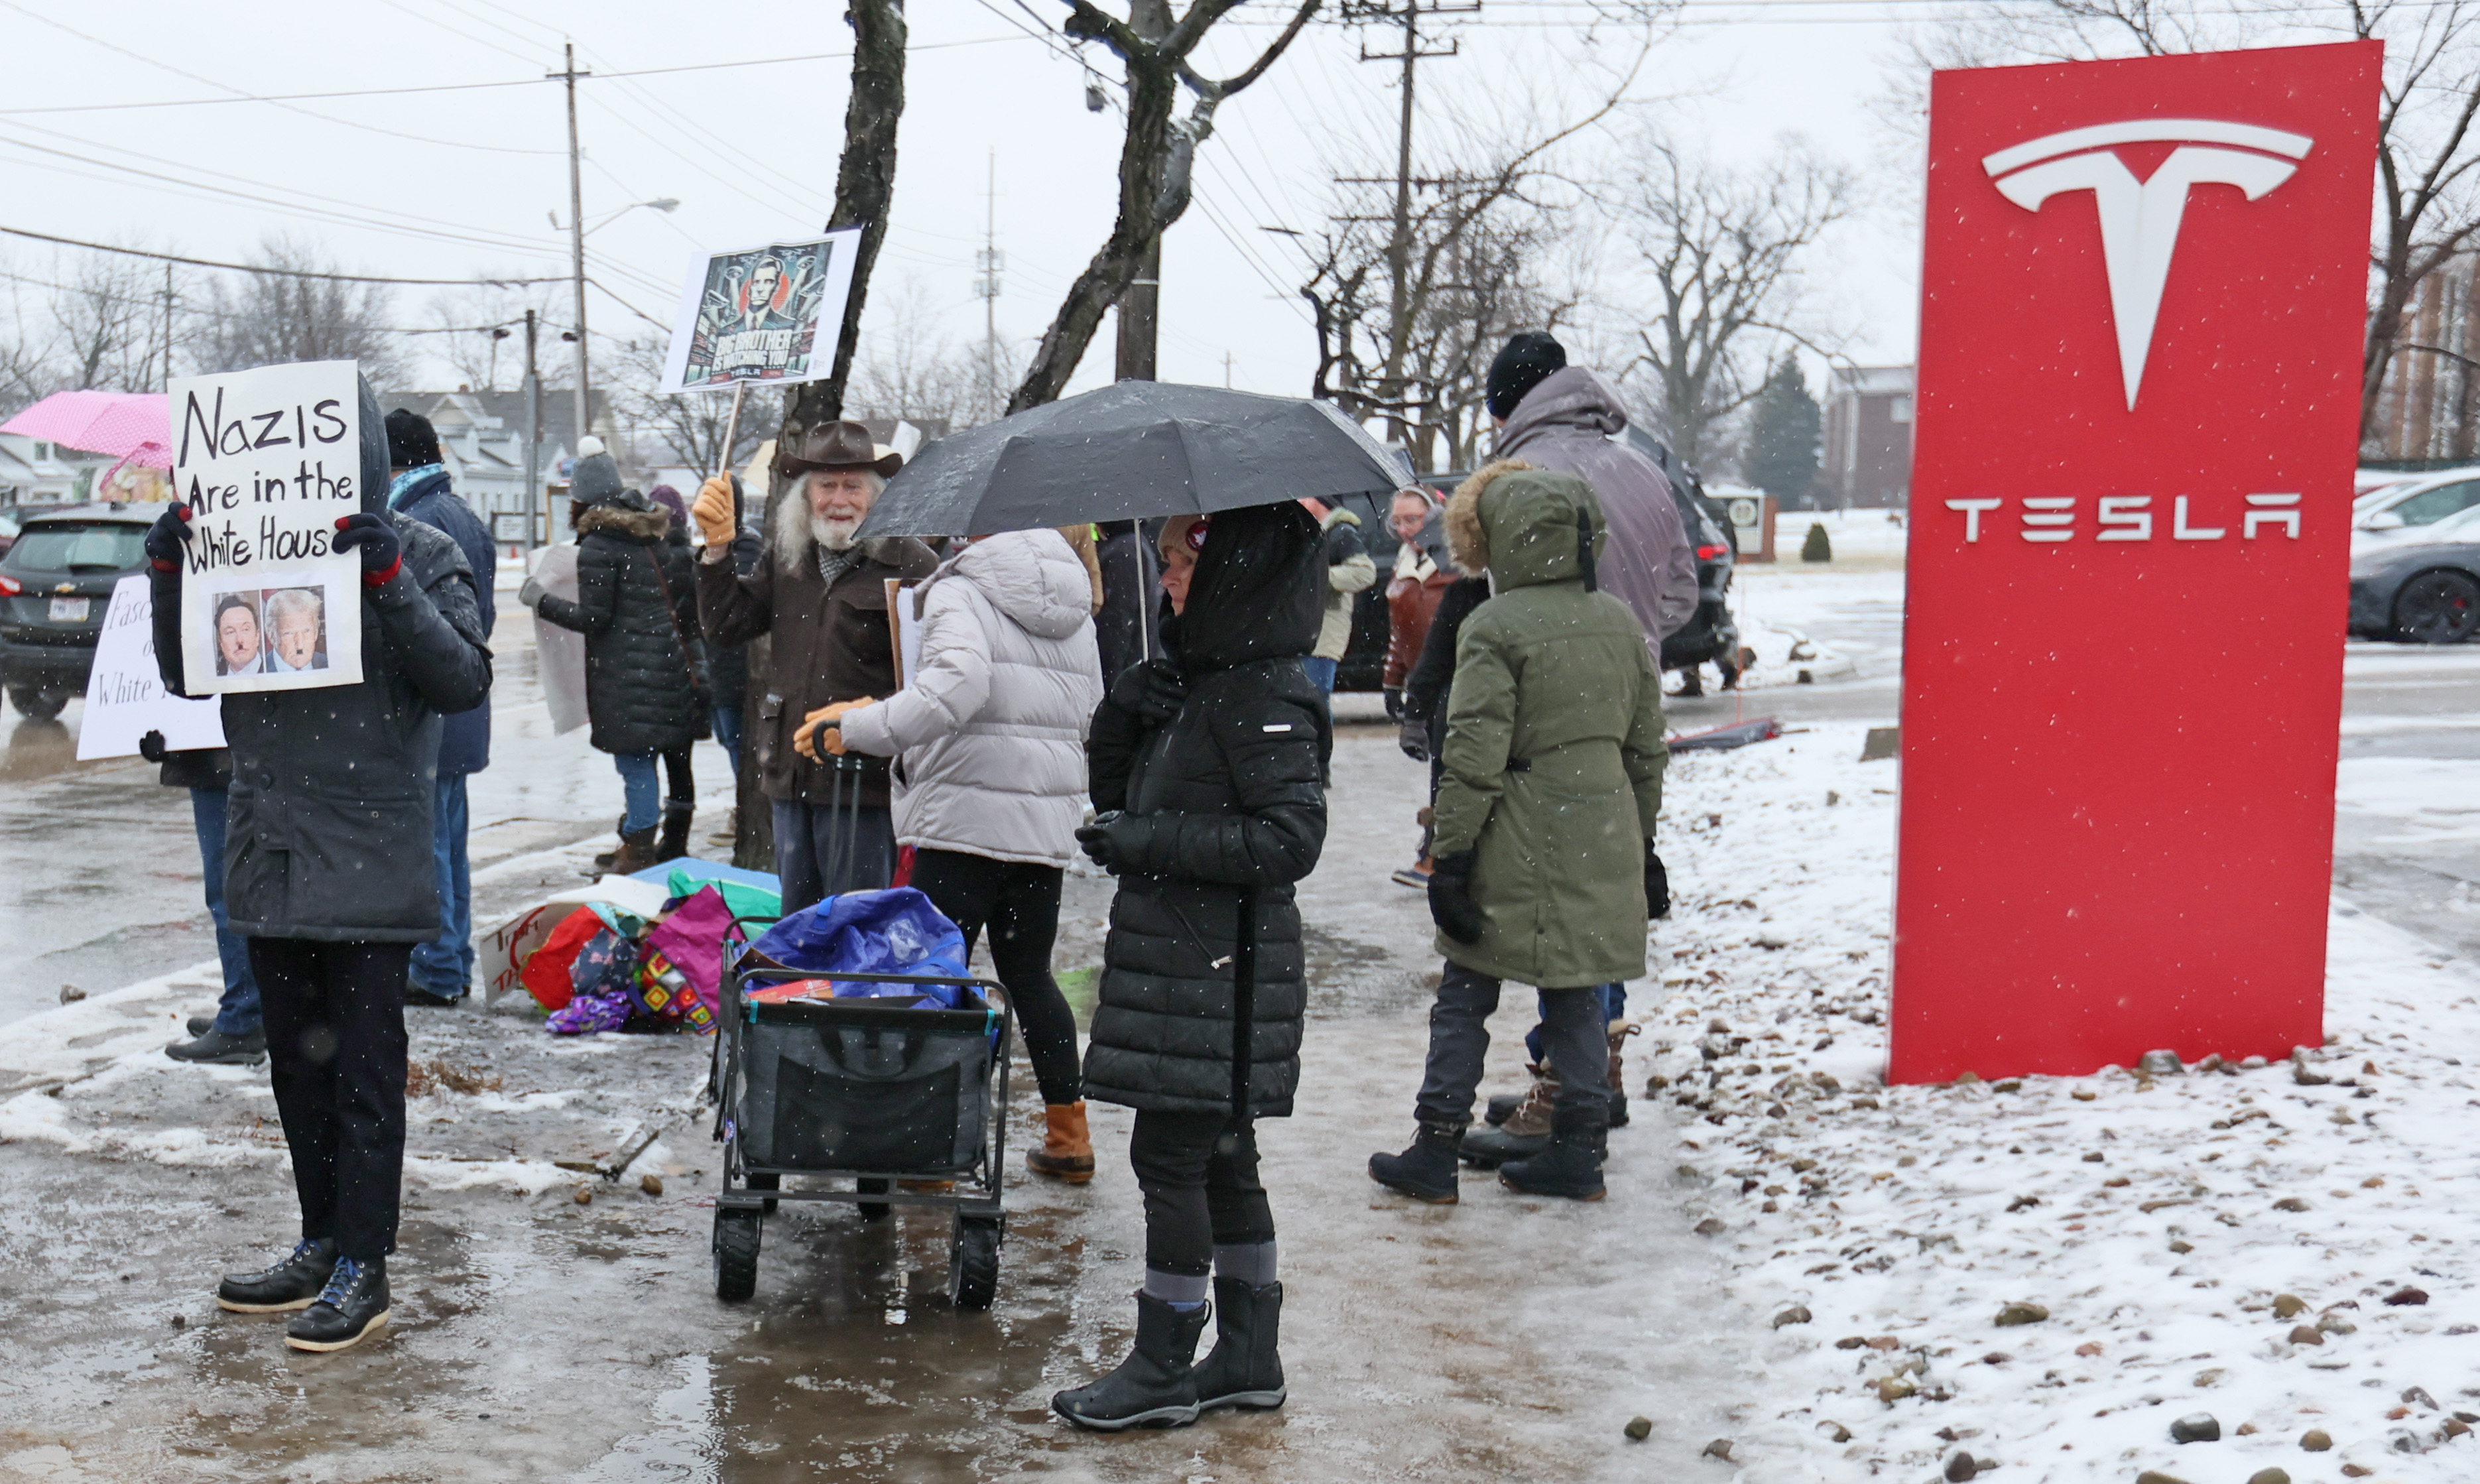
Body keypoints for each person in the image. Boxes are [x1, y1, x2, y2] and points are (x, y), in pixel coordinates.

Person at [145, 376, 493, 1354]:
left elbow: (461, 677)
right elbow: (188, 671)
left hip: (371, 848)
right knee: (300, 1067)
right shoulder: (235, 553)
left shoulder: (416, 548)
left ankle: (365, 1263)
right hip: (274, 845)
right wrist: (174, 567)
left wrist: (390, 584)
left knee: (366, 1073)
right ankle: (320, 1237)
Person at [1052, 502, 1328, 1432]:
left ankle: (1167, 1360)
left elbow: (1291, 840)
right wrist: (1126, 711)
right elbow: (1113, 793)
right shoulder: (1200, 677)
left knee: (1174, 1154)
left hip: (1221, 972)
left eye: (1183, 563)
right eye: (1166, 561)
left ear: (1232, 572)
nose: (1168, 578)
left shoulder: (1261, 687)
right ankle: (1248, 1354)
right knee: (1219, 1157)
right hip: (1189, 961)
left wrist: (1148, 840)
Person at [1368, 461, 1664, 1206]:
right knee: (1575, 988)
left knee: (1467, 987)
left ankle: (1434, 1150)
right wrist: (1645, 846)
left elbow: (1471, 755)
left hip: (1515, 826)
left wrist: (1453, 856)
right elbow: (1645, 750)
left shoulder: (1493, 626)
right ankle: (1578, 1148)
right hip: (1601, 828)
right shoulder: (1619, 622)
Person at [796, 527, 1105, 1183]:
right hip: (1040, 825)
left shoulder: (961, 591)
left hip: (962, 823)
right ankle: (1068, 1133)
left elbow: (953, 690)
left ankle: (930, 1141)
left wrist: (857, 727)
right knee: (1029, 974)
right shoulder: (1073, 605)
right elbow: (1090, 711)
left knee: (934, 977)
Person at [1480, 330, 1696, 1126]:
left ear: (1507, 402)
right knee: (1608, 887)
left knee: (1553, 900)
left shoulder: (1519, 478)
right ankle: (1590, 1067)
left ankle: (1567, 1083)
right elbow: (1680, 597)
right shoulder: (1642, 469)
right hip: (1631, 704)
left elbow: (1502, 602)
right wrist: (1628, 636)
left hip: (1547, 711)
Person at [690, 422, 938, 913]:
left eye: (853, 485)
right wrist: (717, 550)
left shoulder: (912, 564)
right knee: (798, 920)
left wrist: (873, 716)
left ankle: (847, 992)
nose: (838, 499)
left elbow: (935, 682)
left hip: (864, 780)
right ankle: (801, 992)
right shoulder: (787, 560)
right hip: (790, 772)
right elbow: (725, 626)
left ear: (877, 495)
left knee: (855, 922)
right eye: (826, 485)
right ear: (805, 497)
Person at [522, 444, 708, 874]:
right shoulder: (656, 535)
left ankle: (638, 849)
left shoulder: (600, 547)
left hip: (629, 677)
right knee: (664, 760)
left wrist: (541, 599)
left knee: (635, 762)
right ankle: (655, 843)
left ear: (583, 500)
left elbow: (595, 618)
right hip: (671, 668)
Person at [386, 410, 498, 1005]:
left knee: (428, 845)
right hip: (463, 707)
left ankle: (436, 969)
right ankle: (449, 962)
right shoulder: (462, 516)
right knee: (449, 844)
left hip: (431, 709)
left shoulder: (416, 522)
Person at [155, 733, 265, 1065]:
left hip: (225, 759)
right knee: (250, 888)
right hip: (239, 755)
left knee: (232, 892)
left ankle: (245, 1019)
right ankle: (255, 1010)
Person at [1382, 485, 1457, 889]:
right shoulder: (1405, 560)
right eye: (1398, 521)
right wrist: (1392, 680)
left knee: (1448, 770)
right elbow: (1401, 630)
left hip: (1453, 677)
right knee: (1439, 769)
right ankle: (1434, 854)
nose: (1405, 528)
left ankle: (1435, 858)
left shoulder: (1451, 563)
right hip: (1425, 681)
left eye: (1413, 519)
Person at [1302, 499, 1375, 699]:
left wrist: (1318, 576)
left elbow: (1365, 573)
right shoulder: (1310, 532)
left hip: (1325, 633)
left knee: (1315, 696)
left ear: (1323, 501)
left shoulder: (1341, 533)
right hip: (1305, 632)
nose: (1298, 501)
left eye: (1304, 497)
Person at [214, 595, 263, 676]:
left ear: (257, 636)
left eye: (245, 629)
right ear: (221, 642)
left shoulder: (276, 671)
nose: (239, 640)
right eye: (230, 632)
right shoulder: (215, 677)